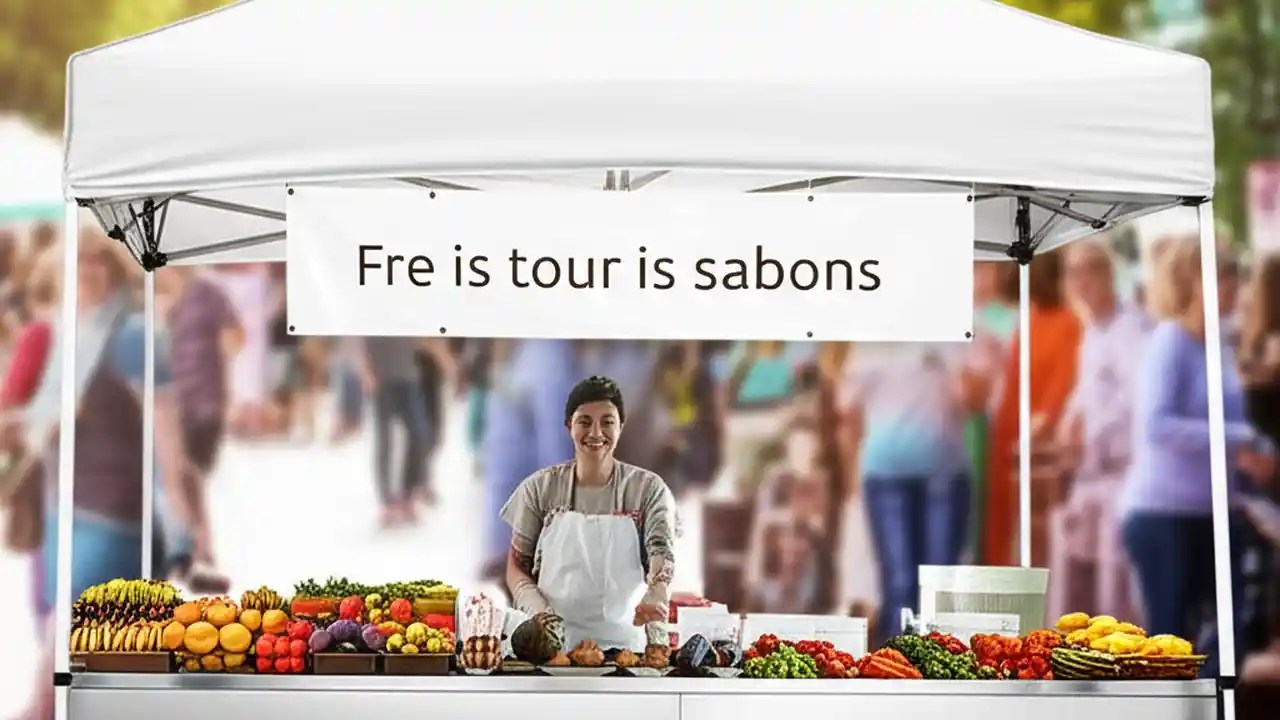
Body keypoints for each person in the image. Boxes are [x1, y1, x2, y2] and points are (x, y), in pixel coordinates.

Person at [1121, 234, 1274, 677]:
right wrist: (1240, 435)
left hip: (1214, 512)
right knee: (1173, 643)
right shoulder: (1168, 344)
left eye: (1236, 278)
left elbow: (1224, 431)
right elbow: (1157, 425)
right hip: (1164, 516)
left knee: (1239, 624)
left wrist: (1252, 454)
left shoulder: (1220, 347)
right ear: (1195, 282)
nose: (1236, 289)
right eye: (1226, 278)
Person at [500, 376, 678, 652]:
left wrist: (658, 591)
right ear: (568, 425)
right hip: (550, 648)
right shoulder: (540, 488)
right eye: (584, 421)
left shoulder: (648, 489)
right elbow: (517, 566)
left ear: (621, 427)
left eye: (607, 422)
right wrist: (537, 611)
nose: (596, 433)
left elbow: (661, 549)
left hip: (628, 649)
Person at [838, 343, 970, 646]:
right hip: (886, 475)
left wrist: (950, 365)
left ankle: (939, 673)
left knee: (941, 586)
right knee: (900, 586)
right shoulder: (870, 344)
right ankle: (900, 674)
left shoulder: (953, 336)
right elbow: (848, 413)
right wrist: (851, 480)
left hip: (944, 474)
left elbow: (973, 399)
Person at [1048, 238, 1152, 620]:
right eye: (1072, 273)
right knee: (1078, 595)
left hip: (1122, 476)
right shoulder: (1092, 329)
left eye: (1088, 271)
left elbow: (1139, 404)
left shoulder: (1133, 329)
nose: (1079, 282)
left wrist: (1091, 436)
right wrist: (1067, 424)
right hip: (1089, 478)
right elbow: (1088, 391)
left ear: (1107, 273)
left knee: (1115, 598)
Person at [985, 249, 1083, 567]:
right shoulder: (1032, 319)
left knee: (1031, 539)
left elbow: (1058, 393)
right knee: (1008, 533)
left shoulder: (1066, 324)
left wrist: (1032, 436)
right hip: (1014, 441)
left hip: (1033, 448)